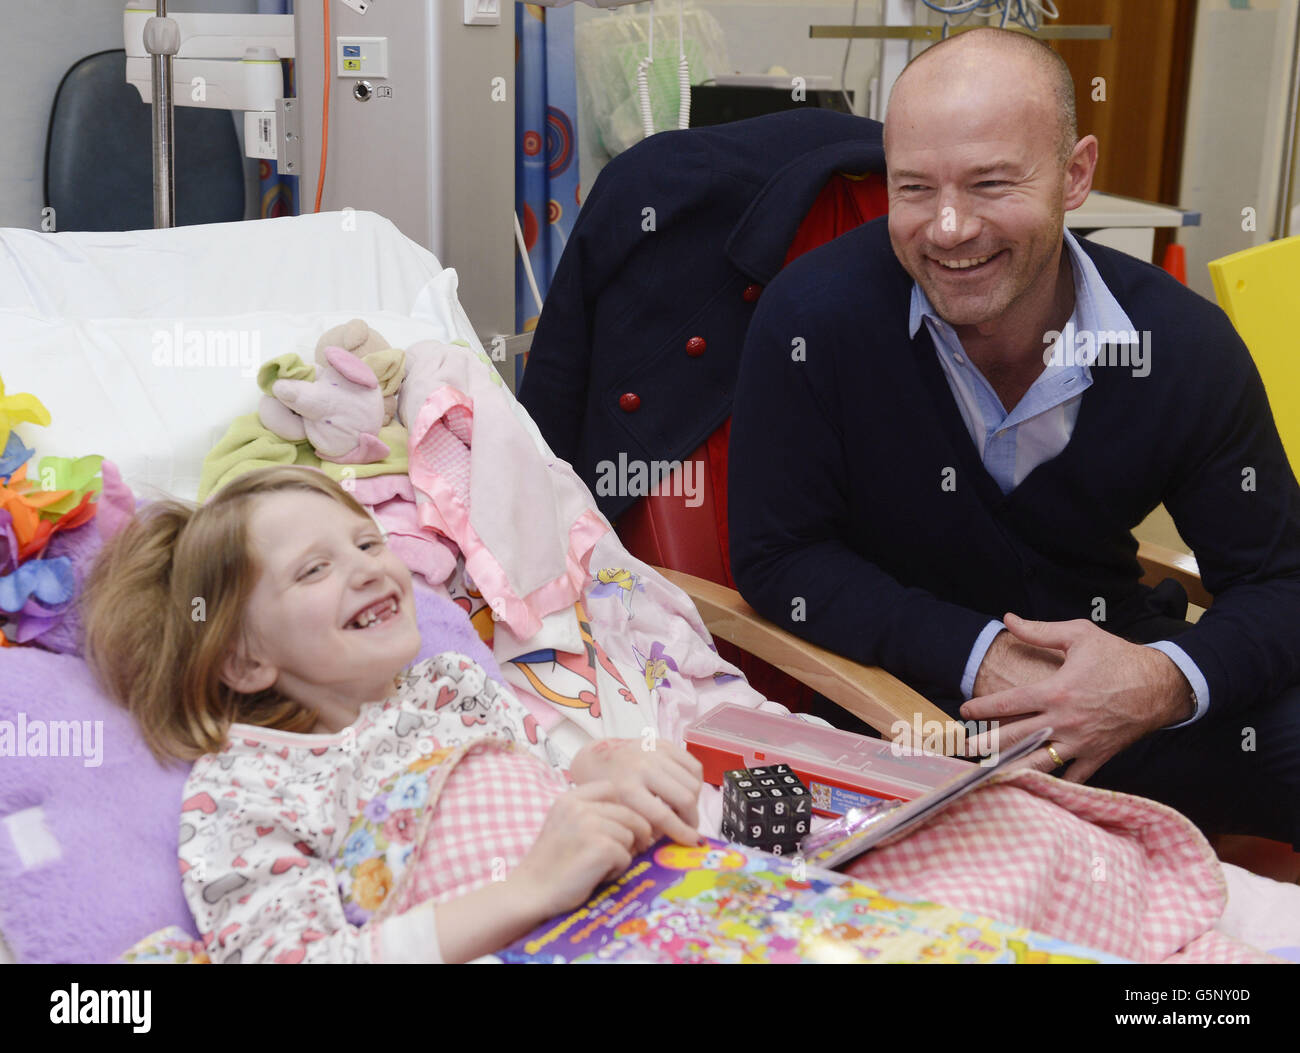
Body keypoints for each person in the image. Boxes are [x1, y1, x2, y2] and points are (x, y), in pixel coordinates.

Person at [727, 27, 1300, 847]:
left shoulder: (1182, 347)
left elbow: (1283, 584)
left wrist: (1158, 681)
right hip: (902, 713)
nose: (949, 227)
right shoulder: (812, 320)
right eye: (915, 188)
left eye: (991, 183)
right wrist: (985, 655)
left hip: (1119, 705)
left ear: (1076, 175)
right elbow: (779, 555)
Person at [81, 465, 705, 964]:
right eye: (314, 569)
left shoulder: (453, 687)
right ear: (244, 662)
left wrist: (609, 783)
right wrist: (524, 892)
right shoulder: (249, 787)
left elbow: (547, 798)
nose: (364, 568)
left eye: (366, 542)